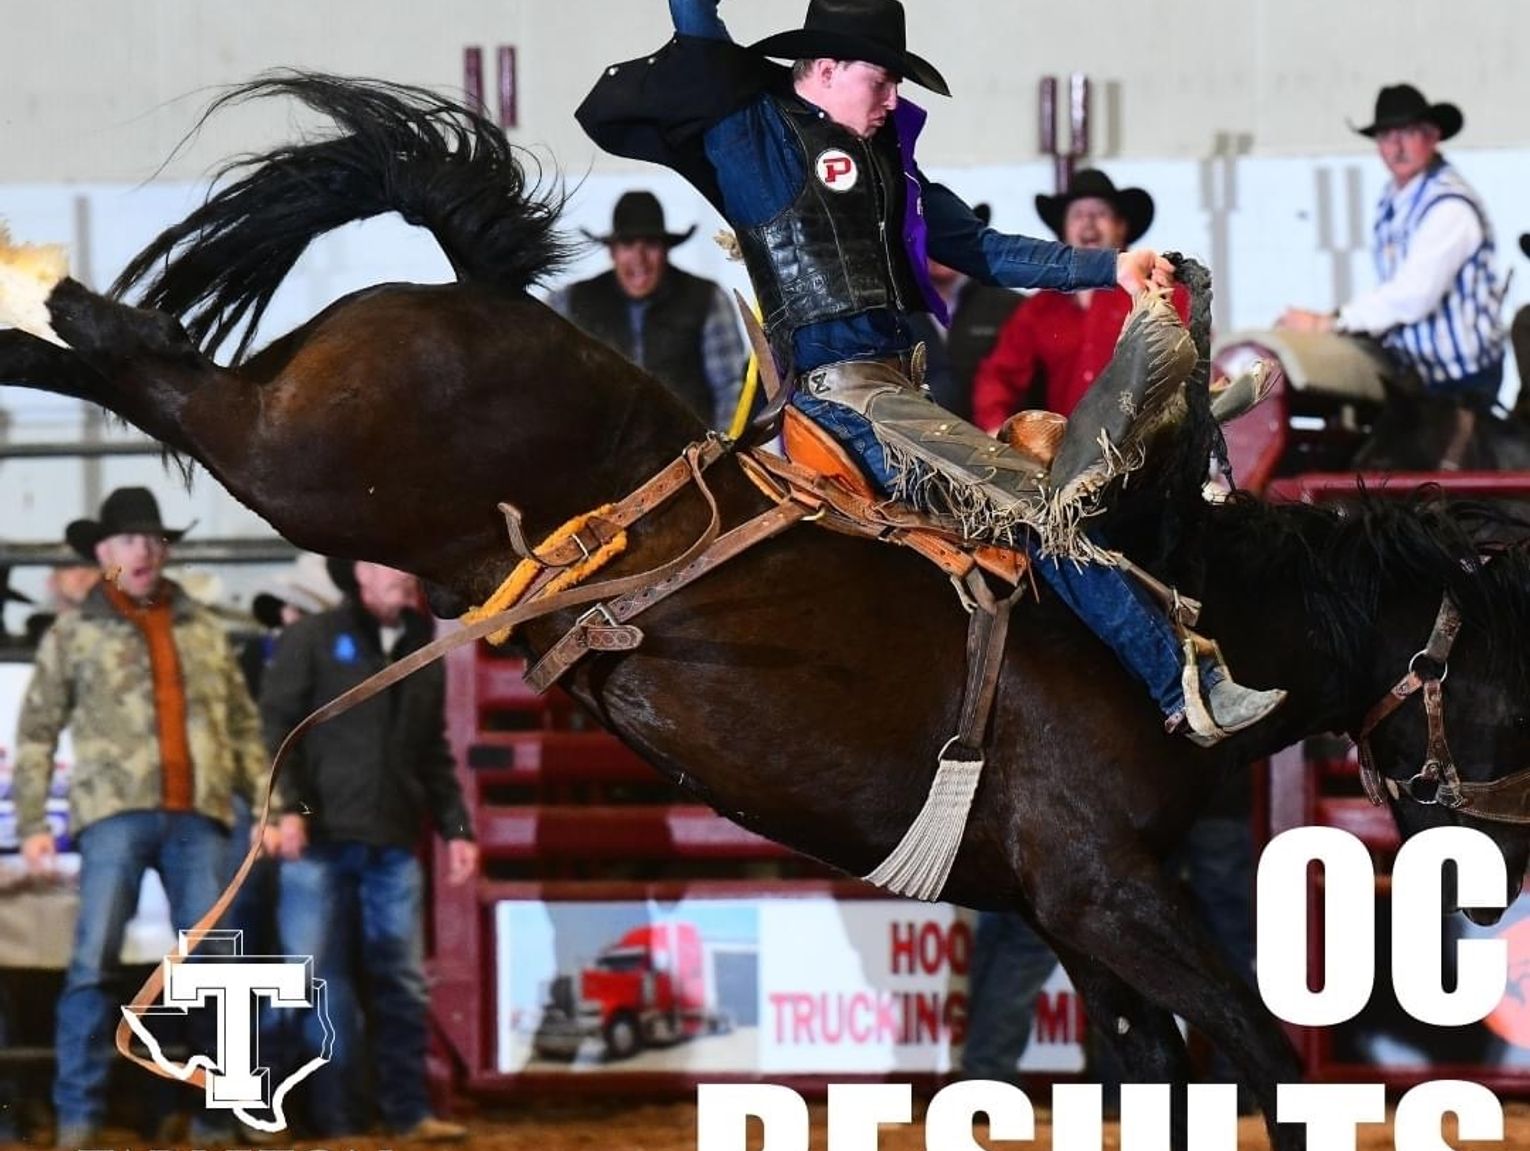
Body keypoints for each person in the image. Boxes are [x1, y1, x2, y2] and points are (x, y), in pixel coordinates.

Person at [576, 0, 1284, 745]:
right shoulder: (755, 137)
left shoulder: (888, 169)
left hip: (893, 397)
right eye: (881, 81)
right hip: (843, 402)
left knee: (1051, 491)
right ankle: (1184, 686)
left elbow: (980, 246)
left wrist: (1109, 266)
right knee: (1038, 502)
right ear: (823, 69)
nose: (892, 101)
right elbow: (701, 34)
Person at [10, 487, 268, 1149]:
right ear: (103, 552)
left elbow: (242, 726)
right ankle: (80, 1116)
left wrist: (270, 805)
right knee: (94, 963)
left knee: (213, 966)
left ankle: (220, 1113)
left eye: (154, 539)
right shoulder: (74, 631)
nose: (145, 550)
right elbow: (36, 731)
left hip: (200, 811)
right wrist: (36, 819)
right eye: (129, 539)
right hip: (114, 813)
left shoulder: (203, 626)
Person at [261, 561, 477, 1141]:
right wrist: (293, 811)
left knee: (394, 980)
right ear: (359, 572)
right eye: (389, 565)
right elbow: (278, 732)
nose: (405, 575)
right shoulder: (311, 639)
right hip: (321, 837)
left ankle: (403, 1113)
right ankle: (291, 1113)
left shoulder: (420, 647)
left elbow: (432, 748)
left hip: (388, 838)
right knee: (307, 978)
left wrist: (458, 830)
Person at [1280, 84, 1506, 410]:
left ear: (1432, 136)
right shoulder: (1395, 197)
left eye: (1408, 133)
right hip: (1418, 369)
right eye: (1386, 136)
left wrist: (1329, 322)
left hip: (1458, 378)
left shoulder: (1448, 206)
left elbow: (1412, 296)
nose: (1396, 146)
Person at [972, 170, 1191, 432]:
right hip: (1070, 458)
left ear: (1121, 227)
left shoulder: (1159, 291)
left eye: (1099, 214)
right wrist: (995, 429)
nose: (1088, 223)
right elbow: (999, 375)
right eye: (1077, 215)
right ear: (1064, 231)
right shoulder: (1039, 309)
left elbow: (1194, 367)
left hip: (1151, 449)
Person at [546, 189, 749, 430]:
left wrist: (722, 450)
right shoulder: (568, 302)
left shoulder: (708, 299)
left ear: (665, 250)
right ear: (613, 252)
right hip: (600, 457)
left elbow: (731, 389)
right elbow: (549, 384)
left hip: (690, 455)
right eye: (628, 244)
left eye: (650, 244)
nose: (639, 258)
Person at [906, 203, 1022, 421]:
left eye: (949, 239)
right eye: (927, 239)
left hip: (1000, 445)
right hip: (916, 447)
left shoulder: (1011, 307)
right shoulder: (896, 312)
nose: (939, 249)